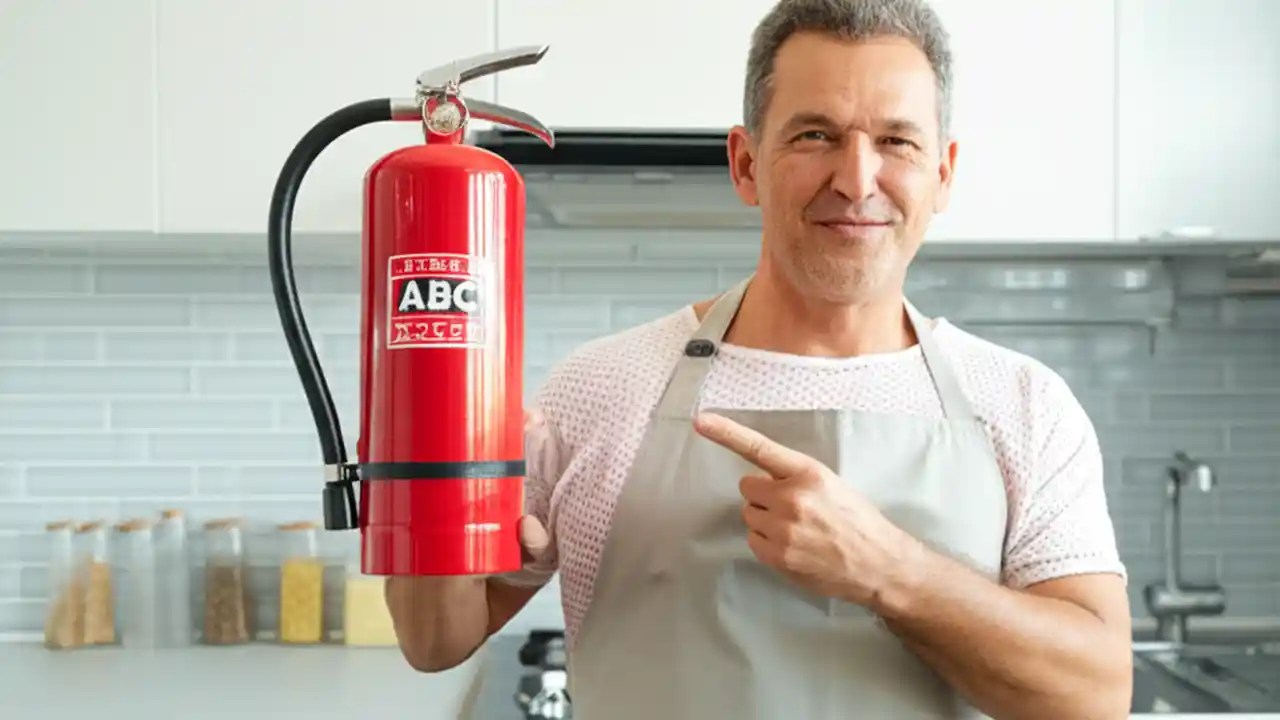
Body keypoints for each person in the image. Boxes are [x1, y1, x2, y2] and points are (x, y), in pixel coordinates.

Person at [386, 0, 1133, 717]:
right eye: (815, 135)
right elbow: (432, 640)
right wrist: (433, 485)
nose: (856, 180)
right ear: (746, 164)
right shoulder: (600, 387)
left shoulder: (1022, 404)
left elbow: (1095, 697)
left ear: (944, 173)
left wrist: (886, 569)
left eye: (898, 141)